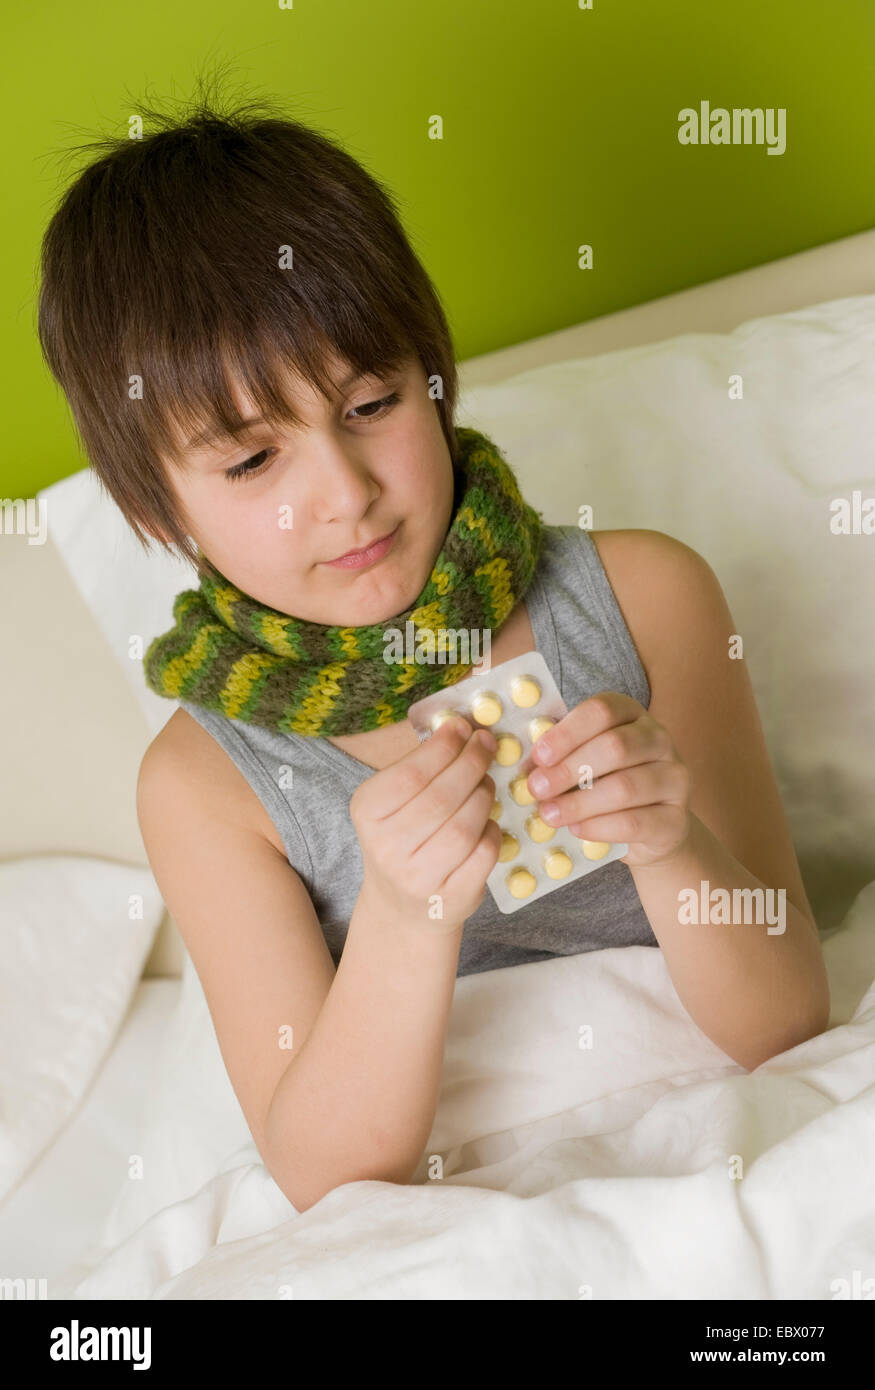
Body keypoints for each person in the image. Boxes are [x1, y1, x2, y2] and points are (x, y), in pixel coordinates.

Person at [37, 87, 829, 1215]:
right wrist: (407, 917)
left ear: (435, 377)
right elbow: (324, 1169)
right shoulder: (206, 785)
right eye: (253, 463)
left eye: (370, 403)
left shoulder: (647, 597)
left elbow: (789, 1020)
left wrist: (669, 844)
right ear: (157, 513)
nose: (346, 495)